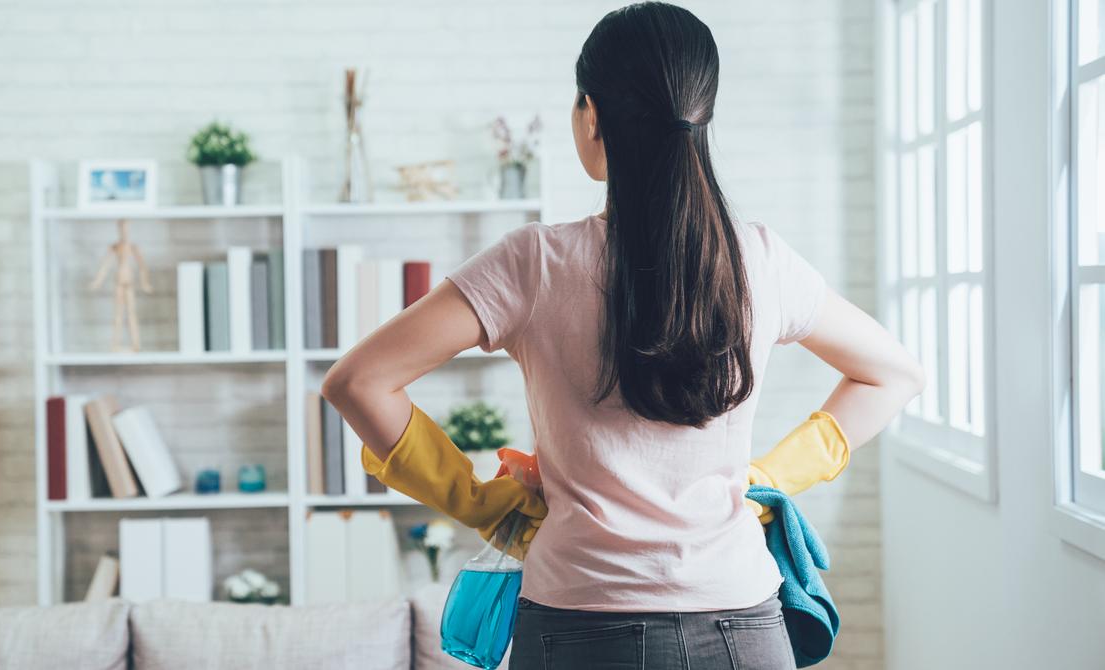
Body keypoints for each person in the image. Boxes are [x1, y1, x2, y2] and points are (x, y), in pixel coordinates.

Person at [320, 3, 924, 668]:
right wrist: (766, 478)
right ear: (702, 118)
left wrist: (477, 501)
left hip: (578, 625)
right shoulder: (761, 260)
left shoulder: (532, 264)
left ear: (590, 116)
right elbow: (892, 374)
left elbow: (358, 382)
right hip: (743, 626)